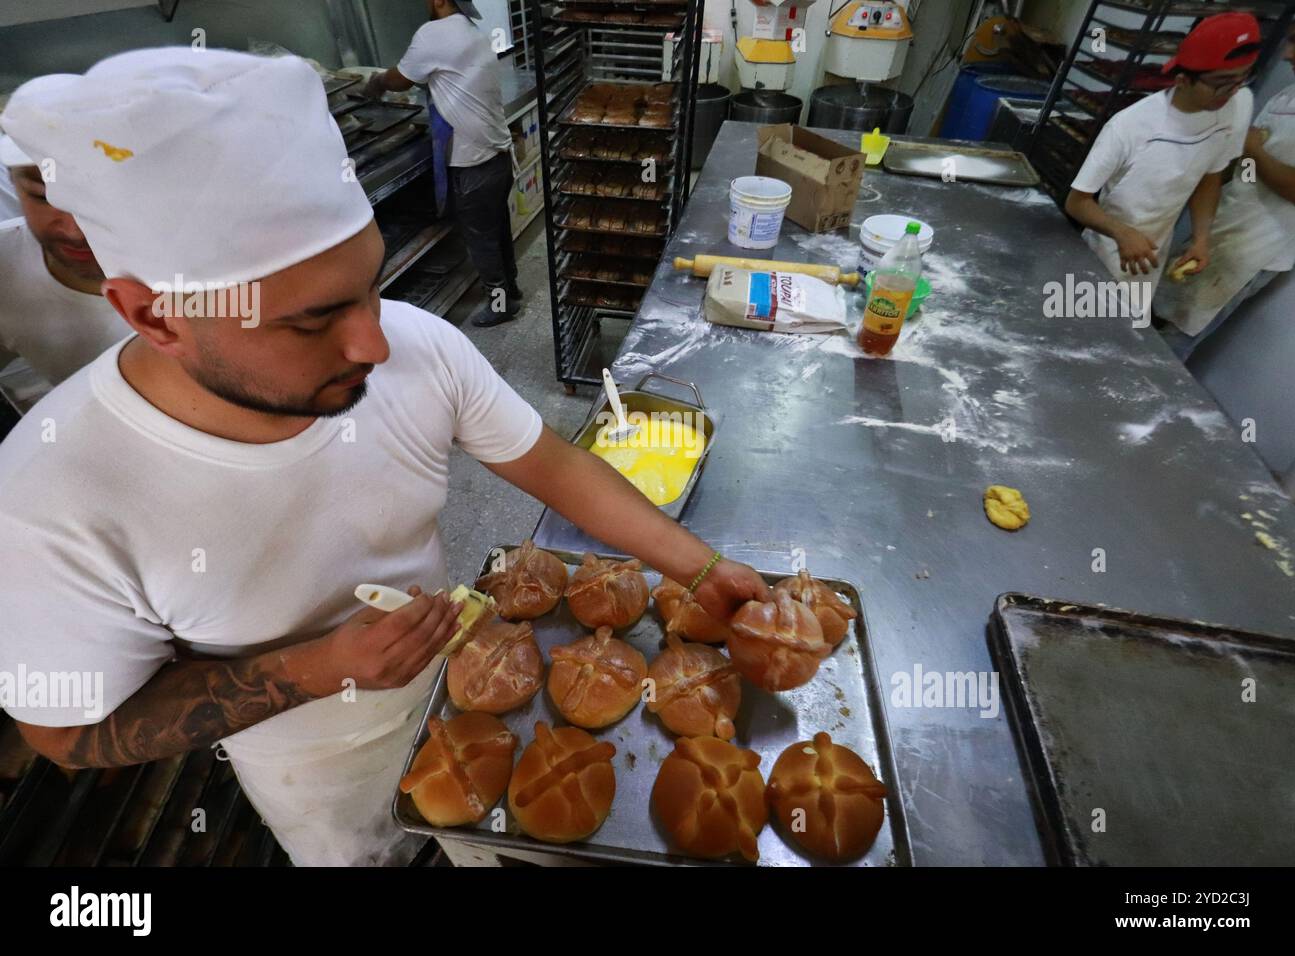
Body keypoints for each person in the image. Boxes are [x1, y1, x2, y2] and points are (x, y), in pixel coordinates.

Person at [0, 47, 769, 867]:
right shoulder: (48, 500)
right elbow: (66, 732)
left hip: (466, 683)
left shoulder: (417, 345)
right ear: (154, 317)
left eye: (370, 286)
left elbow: (553, 465)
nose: (373, 341)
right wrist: (313, 669)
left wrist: (697, 565)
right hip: (316, 771)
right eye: (309, 321)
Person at [1064, 12, 1261, 324]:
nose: (1233, 92)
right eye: (1222, 84)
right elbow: (1077, 202)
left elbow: (1210, 176)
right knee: (1083, 325)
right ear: (1182, 79)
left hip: (1154, 253)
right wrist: (1122, 232)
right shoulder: (1130, 126)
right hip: (1105, 251)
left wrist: (1200, 238)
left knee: (1125, 332)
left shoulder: (1236, 106)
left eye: (1242, 79)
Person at [365, 0, 521, 329]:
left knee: (481, 238)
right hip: (498, 158)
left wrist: (376, 83)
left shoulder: (433, 34)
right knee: (497, 229)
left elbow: (400, 80)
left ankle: (500, 303)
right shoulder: (471, 32)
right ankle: (511, 290)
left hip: (473, 163)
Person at [1155, 17, 1295, 359]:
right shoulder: (1286, 96)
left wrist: (1253, 151)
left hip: (1253, 250)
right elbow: (1248, 170)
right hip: (1224, 226)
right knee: (1157, 315)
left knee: (1176, 338)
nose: (1286, 54)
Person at [0, 134, 126, 387]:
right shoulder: (5, 267)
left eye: (104, 198)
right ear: (13, 183)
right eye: (42, 197)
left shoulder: (216, 282)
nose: (74, 231)